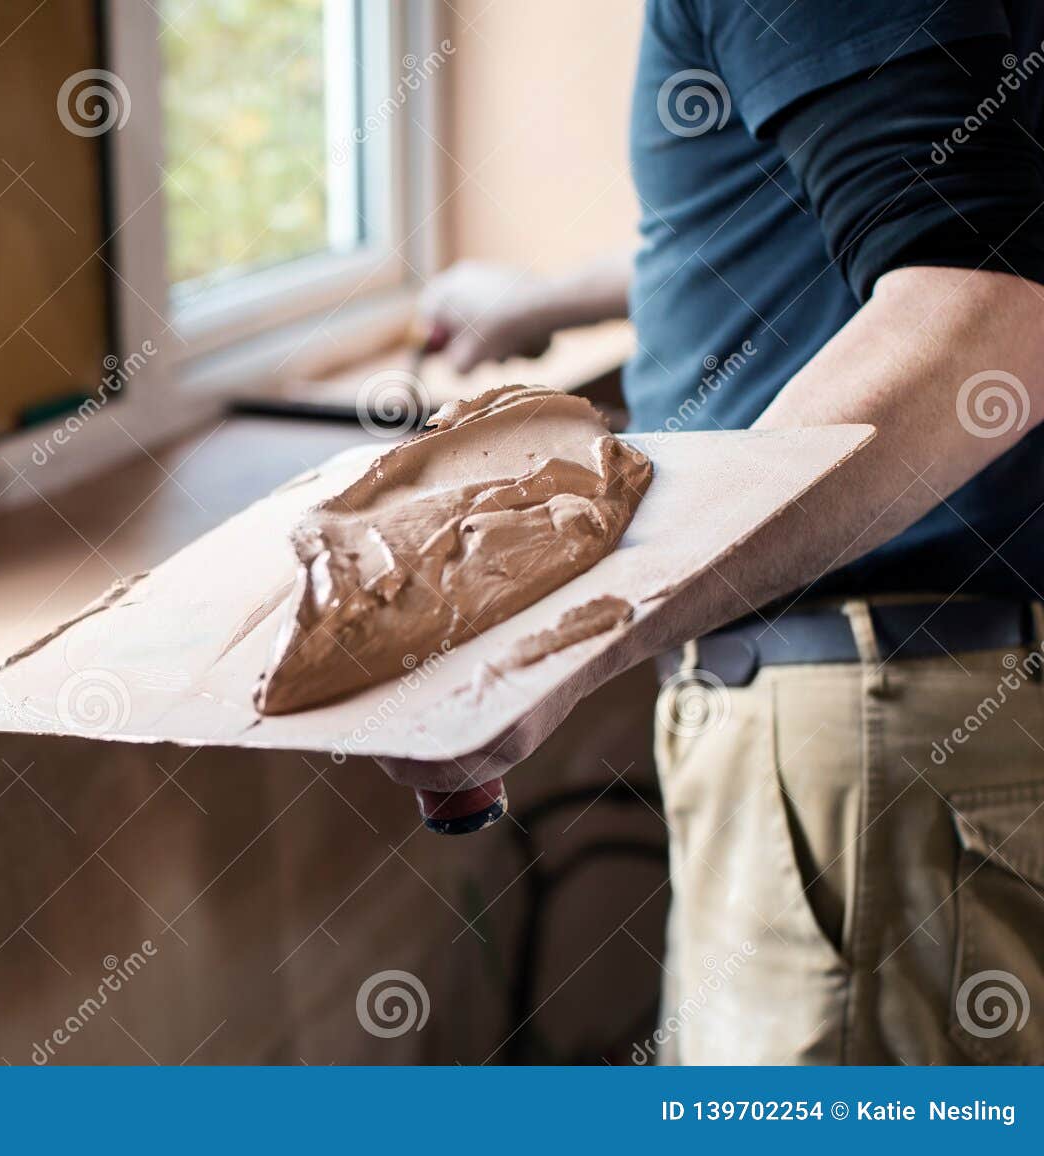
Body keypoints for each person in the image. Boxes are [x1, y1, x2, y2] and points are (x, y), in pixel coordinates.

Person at [386, 0, 1044, 1064]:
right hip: (925, 716)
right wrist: (553, 298)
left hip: (882, 744)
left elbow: (983, 313)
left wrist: (566, 633)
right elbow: (890, 190)